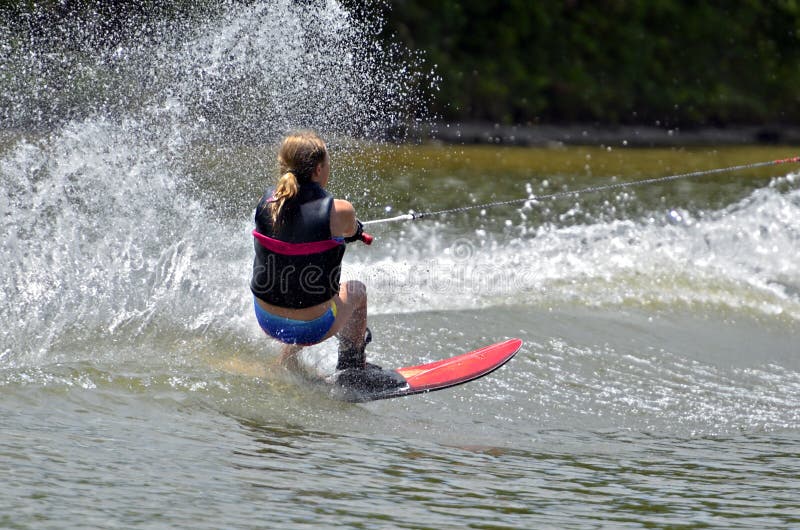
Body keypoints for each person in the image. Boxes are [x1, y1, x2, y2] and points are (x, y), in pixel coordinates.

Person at [250, 131, 404, 391]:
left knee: (294, 281)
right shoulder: (340, 210)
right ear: (319, 169)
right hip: (313, 327)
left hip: (267, 319)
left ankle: (287, 361)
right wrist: (356, 230)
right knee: (356, 290)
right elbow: (350, 229)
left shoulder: (267, 202)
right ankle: (352, 371)